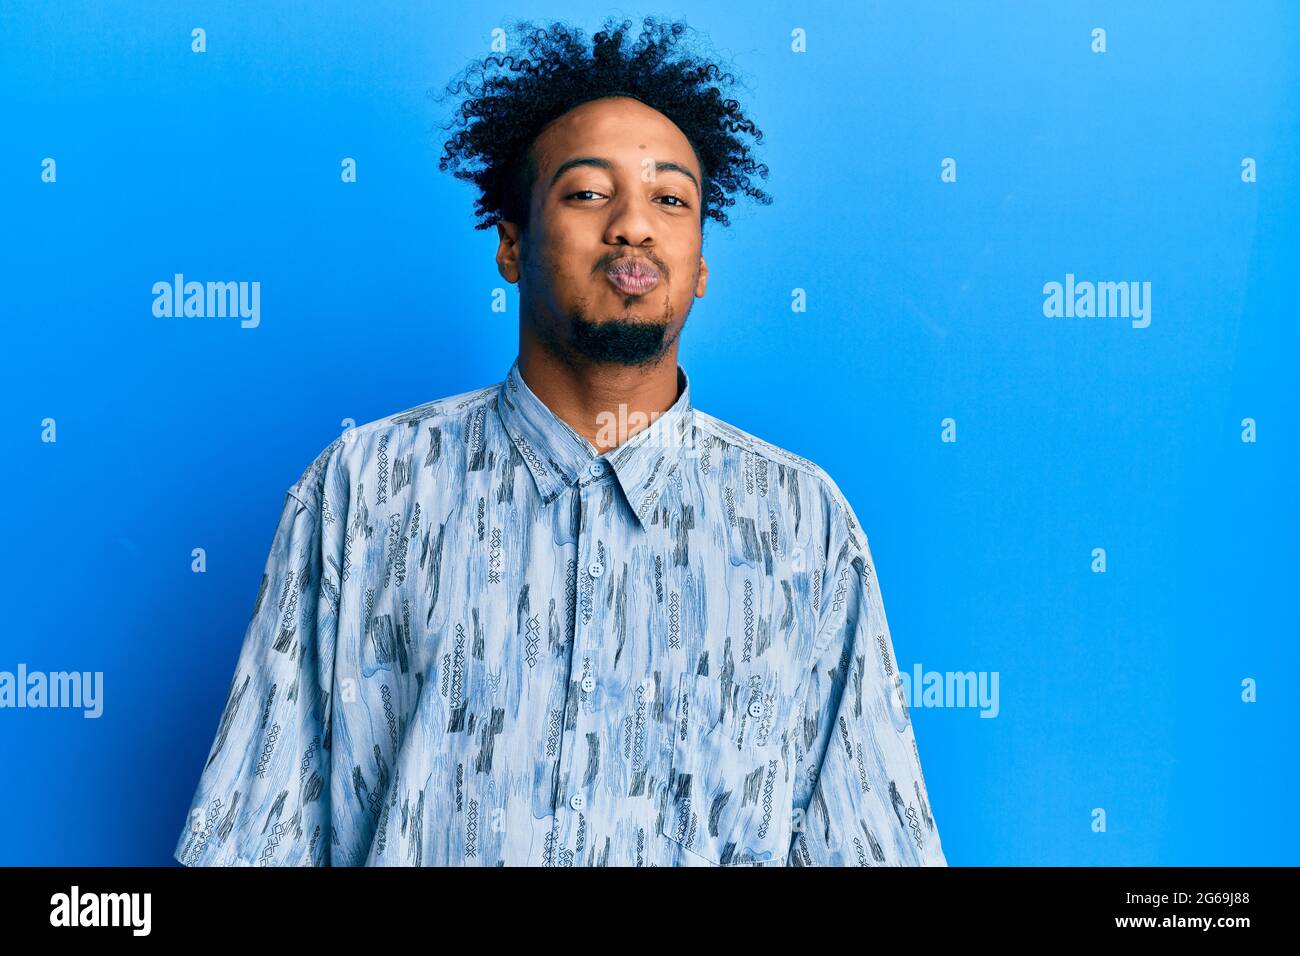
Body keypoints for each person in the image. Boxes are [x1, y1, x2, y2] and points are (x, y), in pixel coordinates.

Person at [174, 15, 947, 867]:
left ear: (700, 265)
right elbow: (250, 844)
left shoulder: (804, 525)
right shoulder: (364, 490)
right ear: (511, 244)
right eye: (587, 193)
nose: (634, 226)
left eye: (671, 200)